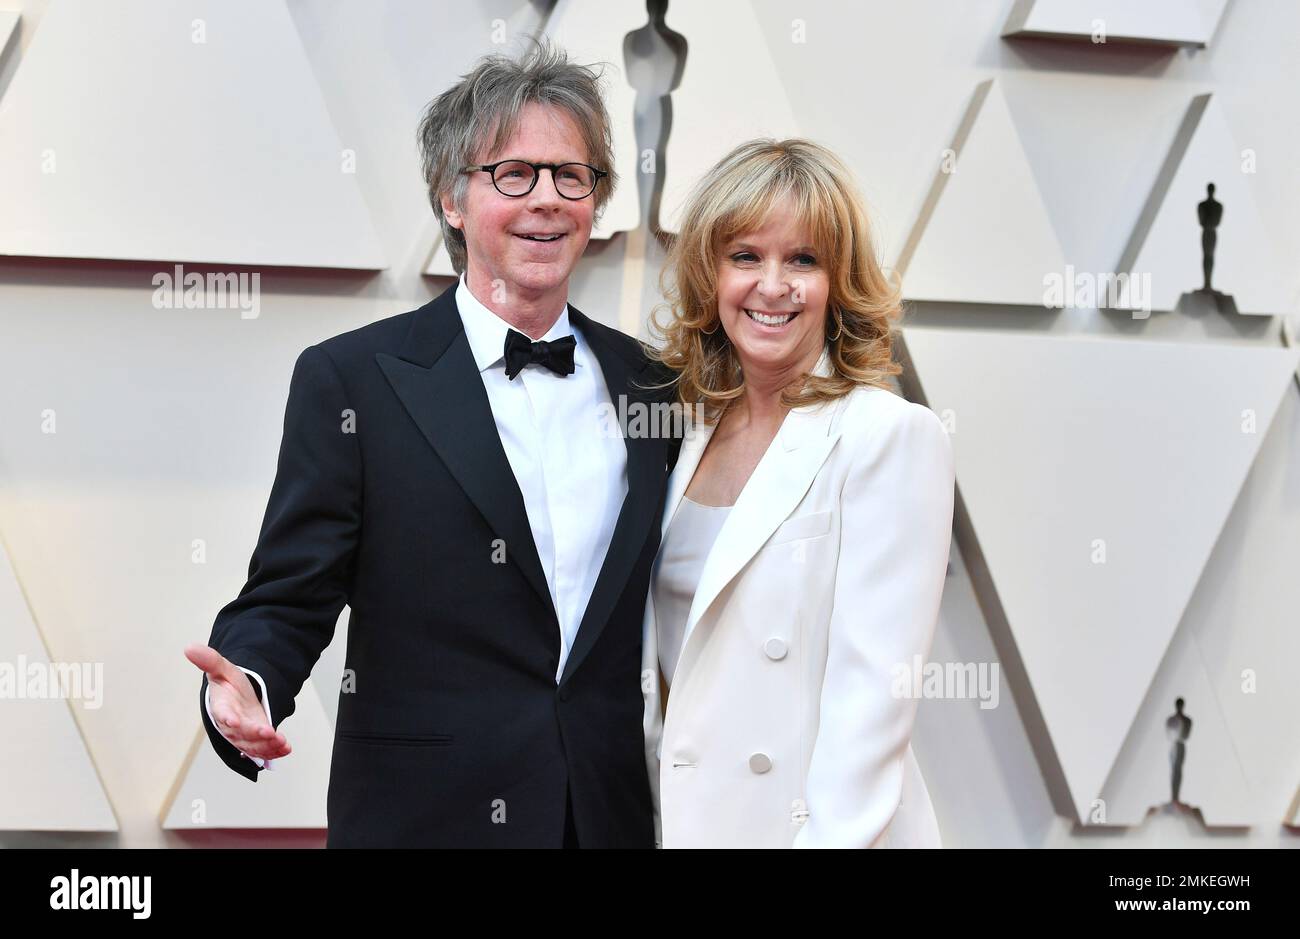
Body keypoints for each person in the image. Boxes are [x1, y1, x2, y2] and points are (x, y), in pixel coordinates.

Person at [184, 41, 677, 848]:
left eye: (571, 175)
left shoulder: (654, 387)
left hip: (605, 817)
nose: (545, 199)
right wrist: (248, 682)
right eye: (512, 173)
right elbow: (289, 592)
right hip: (423, 821)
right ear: (452, 200)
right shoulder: (353, 382)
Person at [641, 138, 955, 848]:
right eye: (745, 256)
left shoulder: (887, 436)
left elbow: (870, 709)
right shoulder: (683, 434)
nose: (773, 285)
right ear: (709, 275)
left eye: (804, 259)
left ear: (839, 282)